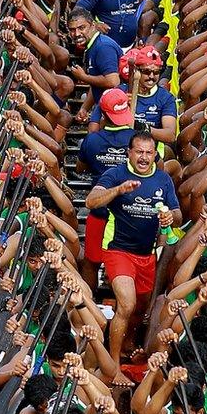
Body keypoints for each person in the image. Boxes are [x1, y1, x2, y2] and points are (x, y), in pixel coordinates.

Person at [85, 130, 181, 364]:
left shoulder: (163, 179)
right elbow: (90, 201)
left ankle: (127, 342)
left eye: (149, 153)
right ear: (129, 152)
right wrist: (117, 190)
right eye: (139, 151)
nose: (144, 157)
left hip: (146, 255)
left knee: (140, 309)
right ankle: (114, 362)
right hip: (118, 250)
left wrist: (171, 218)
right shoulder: (115, 174)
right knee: (126, 304)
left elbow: (178, 214)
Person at [77, 88, 136, 289]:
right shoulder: (138, 140)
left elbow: (80, 167)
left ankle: (89, 302)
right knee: (128, 268)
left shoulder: (91, 140)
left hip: (100, 211)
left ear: (103, 114)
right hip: (130, 215)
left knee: (91, 262)